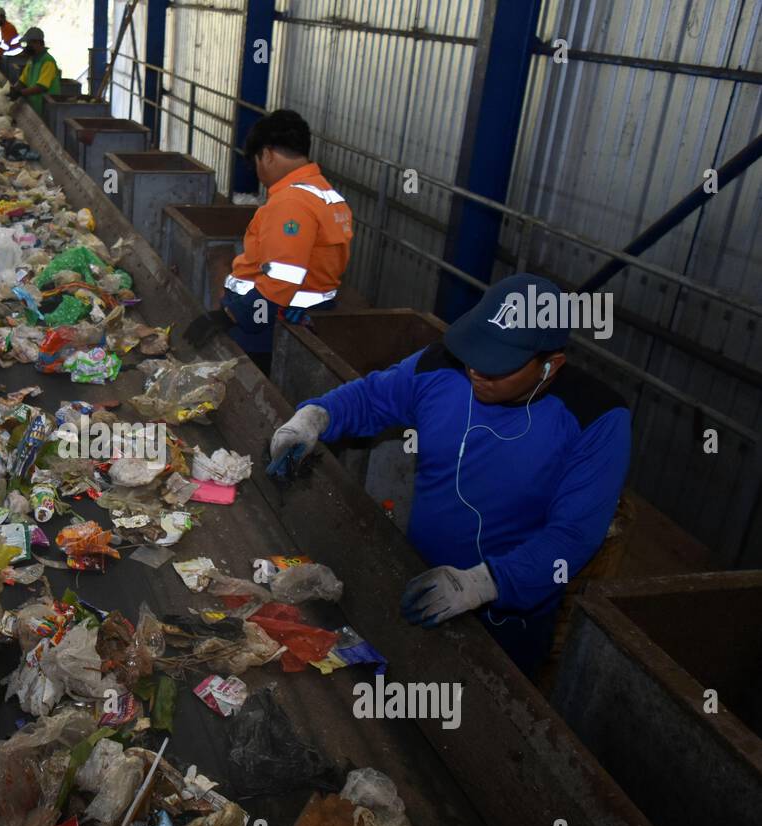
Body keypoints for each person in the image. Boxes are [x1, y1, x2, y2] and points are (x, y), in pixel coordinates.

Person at [268, 273, 631, 678]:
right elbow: (372, 398)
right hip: (415, 578)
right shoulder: (443, 366)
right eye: (476, 354)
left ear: (550, 365)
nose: (476, 371)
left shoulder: (596, 419)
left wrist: (483, 584)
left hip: (505, 619)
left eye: (497, 368)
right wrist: (314, 417)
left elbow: (573, 536)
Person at [185, 109, 352, 375]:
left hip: (266, 327)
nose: (259, 173)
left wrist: (231, 315)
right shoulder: (326, 195)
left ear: (268, 154)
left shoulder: (291, 203)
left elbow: (281, 279)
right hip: (301, 317)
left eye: (257, 162)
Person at [8, 27, 61, 114]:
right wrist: (13, 90)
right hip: (35, 106)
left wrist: (20, 93)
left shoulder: (48, 61)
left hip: (47, 109)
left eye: (30, 43)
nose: (27, 46)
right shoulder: (32, 60)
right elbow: (22, 81)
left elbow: (41, 87)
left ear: (38, 43)